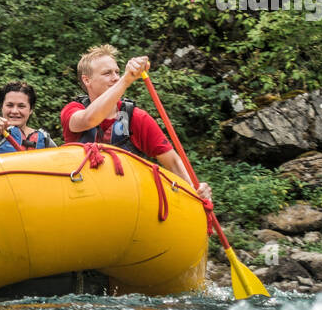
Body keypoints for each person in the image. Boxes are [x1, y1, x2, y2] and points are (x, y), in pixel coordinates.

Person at [60, 45, 213, 203]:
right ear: (87, 80)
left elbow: (173, 162)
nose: (115, 77)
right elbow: (90, 119)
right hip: (83, 199)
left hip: (127, 203)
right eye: (107, 73)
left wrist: (196, 190)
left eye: (117, 72)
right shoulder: (72, 111)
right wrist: (126, 79)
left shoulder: (136, 118)